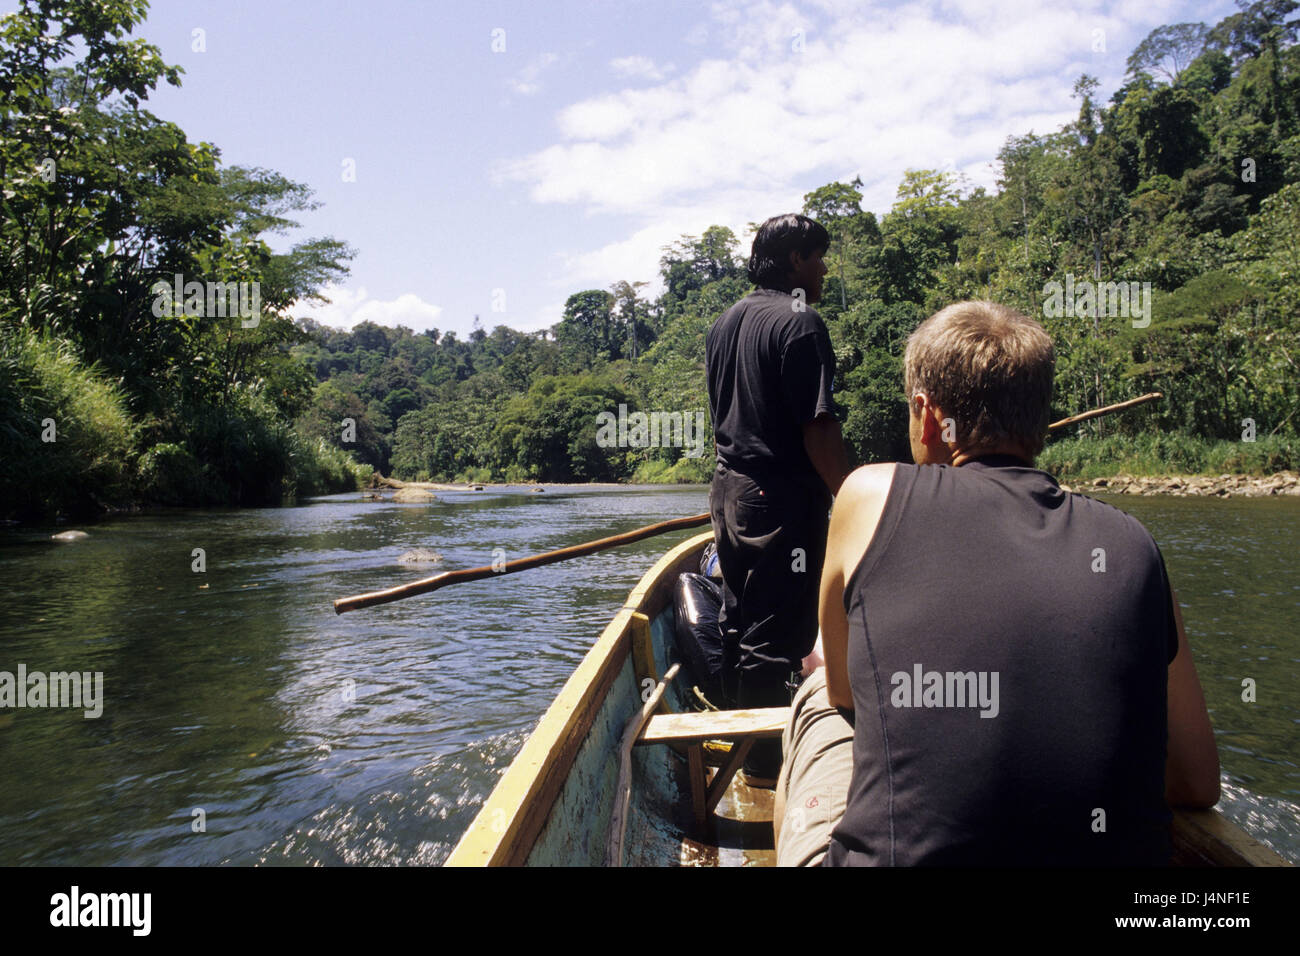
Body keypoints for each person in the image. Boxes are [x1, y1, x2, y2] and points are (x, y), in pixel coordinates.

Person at [774, 300, 1220, 865]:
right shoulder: (1132, 542)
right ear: (1038, 418)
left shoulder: (866, 495)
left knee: (815, 692)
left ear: (927, 415)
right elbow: (1198, 781)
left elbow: (846, 696)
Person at [705, 213, 851, 784]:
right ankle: (766, 769)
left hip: (729, 492)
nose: (822, 269)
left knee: (738, 620)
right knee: (778, 632)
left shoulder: (725, 322)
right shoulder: (801, 322)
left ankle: (745, 741)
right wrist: (855, 493)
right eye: (817, 258)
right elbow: (818, 428)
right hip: (778, 499)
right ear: (795, 261)